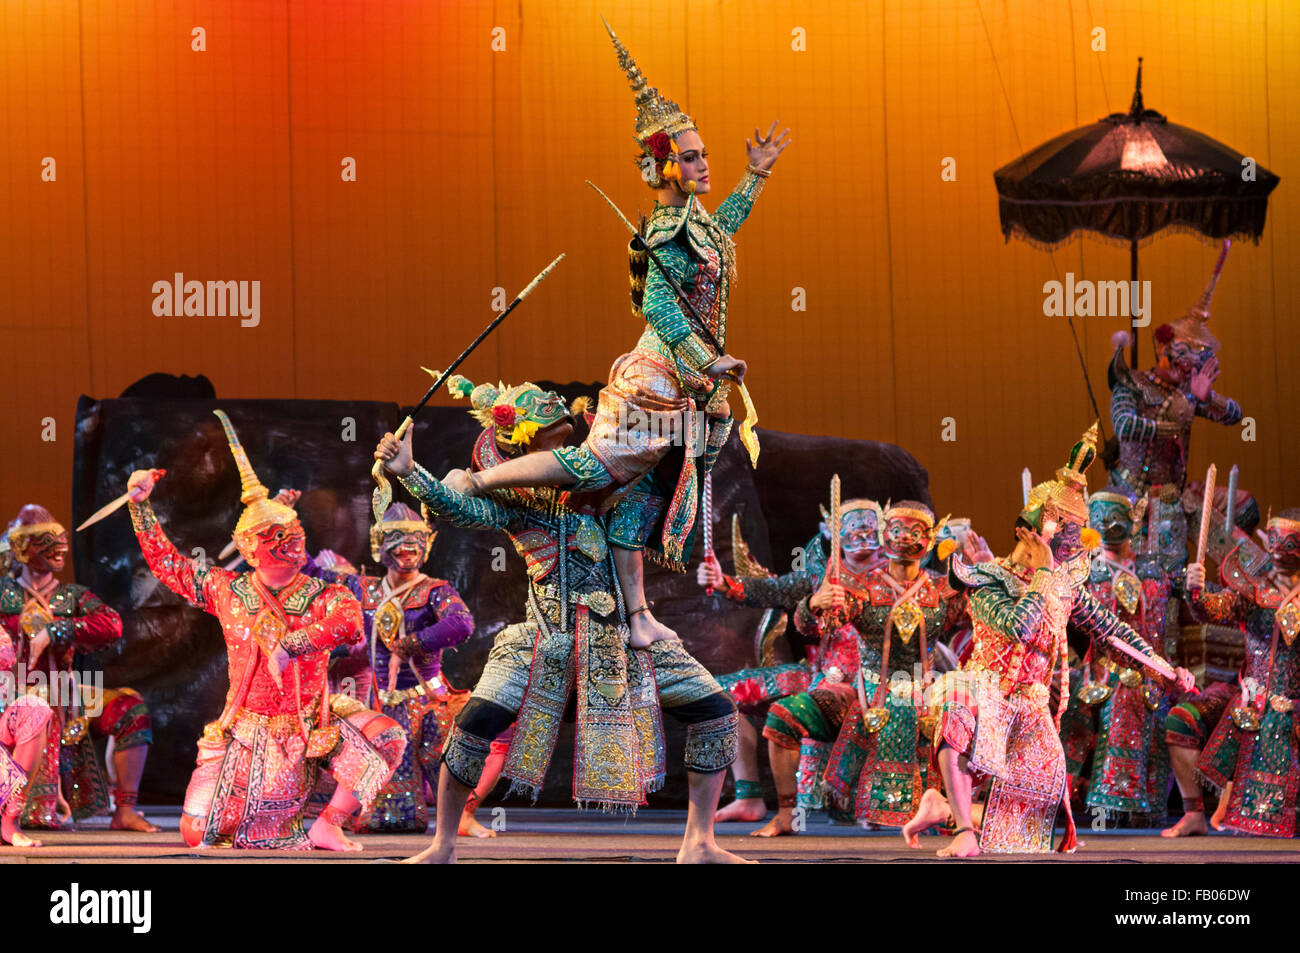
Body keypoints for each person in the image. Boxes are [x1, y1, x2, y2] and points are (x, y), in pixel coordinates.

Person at [439, 20, 789, 654]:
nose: (702, 164)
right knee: (600, 466)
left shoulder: (693, 221)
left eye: (704, 153)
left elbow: (721, 232)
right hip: (659, 379)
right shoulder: (662, 229)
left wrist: (754, 177)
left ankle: (636, 613)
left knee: (644, 495)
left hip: (691, 388)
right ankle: (478, 481)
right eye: (689, 157)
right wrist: (705, 362)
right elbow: (660, 305)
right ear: (661, 164)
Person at [374, 376, 746, 863]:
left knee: (716, 713)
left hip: (621, 639)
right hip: (546, 641)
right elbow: (457, 507)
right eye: (544, 413)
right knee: (474, 723)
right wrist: (410, 471)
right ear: (523, 436)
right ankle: (442, 846)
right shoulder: (519, 504)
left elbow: (681, 456)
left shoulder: (611, 475)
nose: (558, 411)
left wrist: (707, 407)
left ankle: (700, 843)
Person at [904, 424, 1194, 857]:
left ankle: (943, 805)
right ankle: (963, 828)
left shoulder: (1064, 588)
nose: (1065, 556)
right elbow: (1017, 626)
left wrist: (1166, 671)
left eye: (1069, 548)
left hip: (1033, 711)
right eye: (1058, 543)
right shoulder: (988, 577)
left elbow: (1113, 633)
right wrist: (1041, 575)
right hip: (988, 695)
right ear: (1026, 534)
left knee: (1022, 831)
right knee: (956, 703)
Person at [125, 410, 405, 850]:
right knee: (199, 832)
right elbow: (167, 564)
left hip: (313, 719)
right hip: (246, 728)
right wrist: (139, 506)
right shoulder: (226, 588)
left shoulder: (325, 593)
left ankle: (329, 821)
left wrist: (291, 645)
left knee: (386, 735)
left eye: (294, 531)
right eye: (277, 535)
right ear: (250, 548)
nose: (291, 540)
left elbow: (349, 624)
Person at [754, 503, 970, 836]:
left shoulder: (943, 591)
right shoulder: (863, 588)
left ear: (928, 540)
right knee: (783, 715)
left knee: (973, 711)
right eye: (896, 530)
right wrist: (814, 604)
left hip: (927, 697)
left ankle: (961, 812)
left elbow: (986, 618)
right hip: (865, 697)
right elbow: (817, 624)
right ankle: (786, 813)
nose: (905, 539)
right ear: (885, 537)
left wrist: (983, 574)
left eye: (915, 532)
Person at [699, 500, 884, 822]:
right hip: (819, 673)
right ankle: (748, 797)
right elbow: (774, 590)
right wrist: (722, 581)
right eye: (852, 528)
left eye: (870, 528)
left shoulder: (897, 576)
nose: (861, 534)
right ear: (834, 533)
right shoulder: (821, 574)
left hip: (874, 683)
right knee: (720, 697)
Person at [0, 505, 158, 833]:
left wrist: (58, 629)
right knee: (40, 703)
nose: (60, 548)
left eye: (61, 540)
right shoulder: (4, 593)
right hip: (9, 697)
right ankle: (27, 806)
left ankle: (125, 810)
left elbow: (111, 624)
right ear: (23, 548)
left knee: (129, 707)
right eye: (47, 541)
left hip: (65, 694)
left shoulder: (69, 596)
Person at [1181, 508, 1300, 837]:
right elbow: (1215, 609)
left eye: (1289, 544)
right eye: (1275, 542)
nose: (1279, 551)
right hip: (1254, 700)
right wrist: (1197, 592)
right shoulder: (1253, 590)